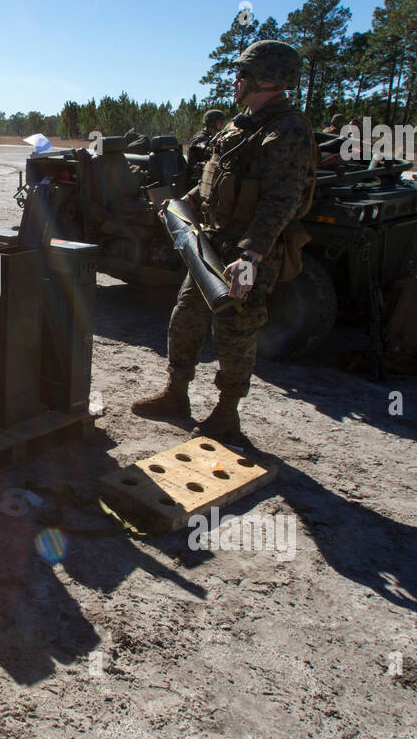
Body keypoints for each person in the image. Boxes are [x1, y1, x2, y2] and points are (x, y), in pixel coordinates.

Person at [131, 41, 317, 442]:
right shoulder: (239, 126)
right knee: (185, 316)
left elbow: (280, 201)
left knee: (235, 330)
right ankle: (176, 394)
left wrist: (250, 255)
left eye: (243, 75)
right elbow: (211, 184)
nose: (236, 82)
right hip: (211, 245)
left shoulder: (287, 131)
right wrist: (182, 206)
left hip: (247, 252)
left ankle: (226, 413)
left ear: (267, 79)